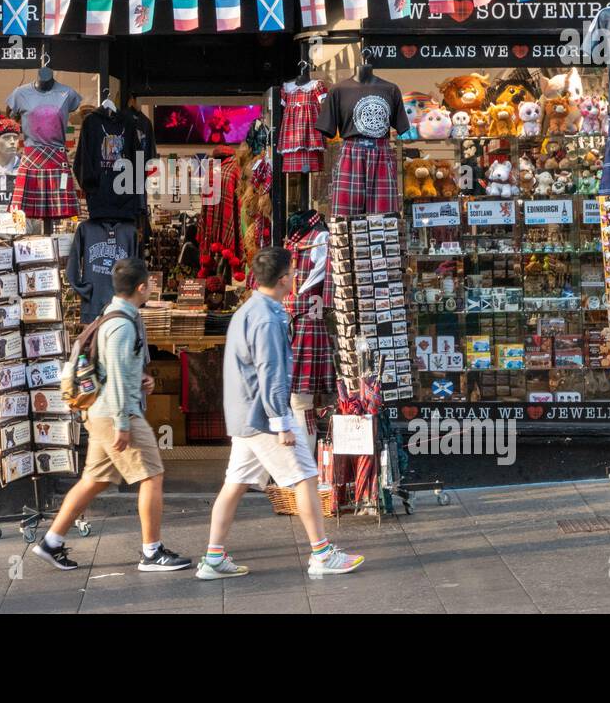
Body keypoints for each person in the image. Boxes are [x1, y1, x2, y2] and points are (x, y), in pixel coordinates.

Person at [198, 247, 364, 580]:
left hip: (244, 414)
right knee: (305, 476)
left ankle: (213, 558)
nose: (297, 277)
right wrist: (281, 423)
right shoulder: (267, 317)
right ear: (284, 278)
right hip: (262, 417)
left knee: (235, 482)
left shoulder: (248, 311)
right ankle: (321, 554)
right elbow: (271, 372)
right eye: (293, 272)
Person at [31, 257, 191, 573]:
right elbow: (116, 376)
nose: (151, 290)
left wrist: (140, 380)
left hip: (103, 411)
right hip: (117, 414)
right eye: (150, 286)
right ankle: (151, 552)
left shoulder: (115, 314)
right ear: (142, 287)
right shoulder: (121, 324)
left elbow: (116, 370)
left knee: (95, 478)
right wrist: (122, 423)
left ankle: (51, 541)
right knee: (151, 475)